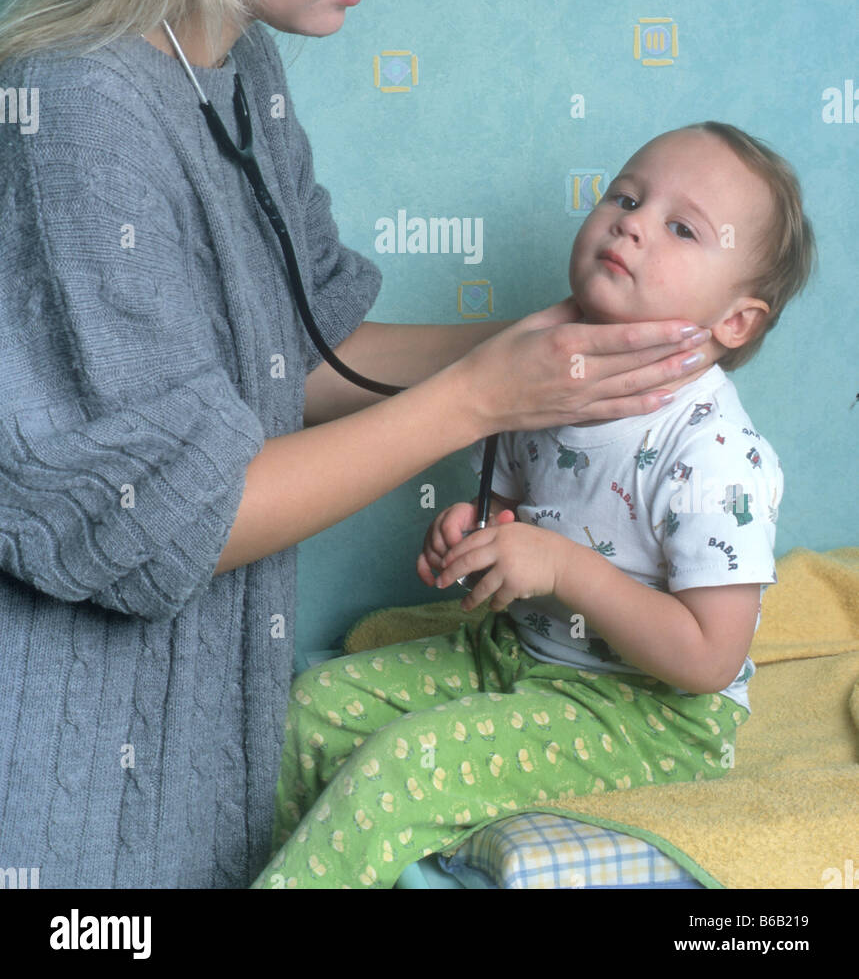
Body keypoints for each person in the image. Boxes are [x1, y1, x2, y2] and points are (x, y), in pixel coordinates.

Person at [0, 0, 713, 890]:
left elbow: (305, 347)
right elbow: (173, 515)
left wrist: (564, 351)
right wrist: (478, 398)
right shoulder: (77, 111)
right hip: (71, 781)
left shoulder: (236, 66)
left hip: (197, 747)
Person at [252, 121, 815, 890]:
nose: (631, 223)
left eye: (680, 228)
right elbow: (519, 524)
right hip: (515, 654)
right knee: (311, 706)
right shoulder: (544, 382)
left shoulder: (714, 455)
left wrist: (560, 567)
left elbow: (709, 660)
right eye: (625, 196)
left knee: (403, 766)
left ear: (735, 321)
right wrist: (476, 537)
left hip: (642, 713)